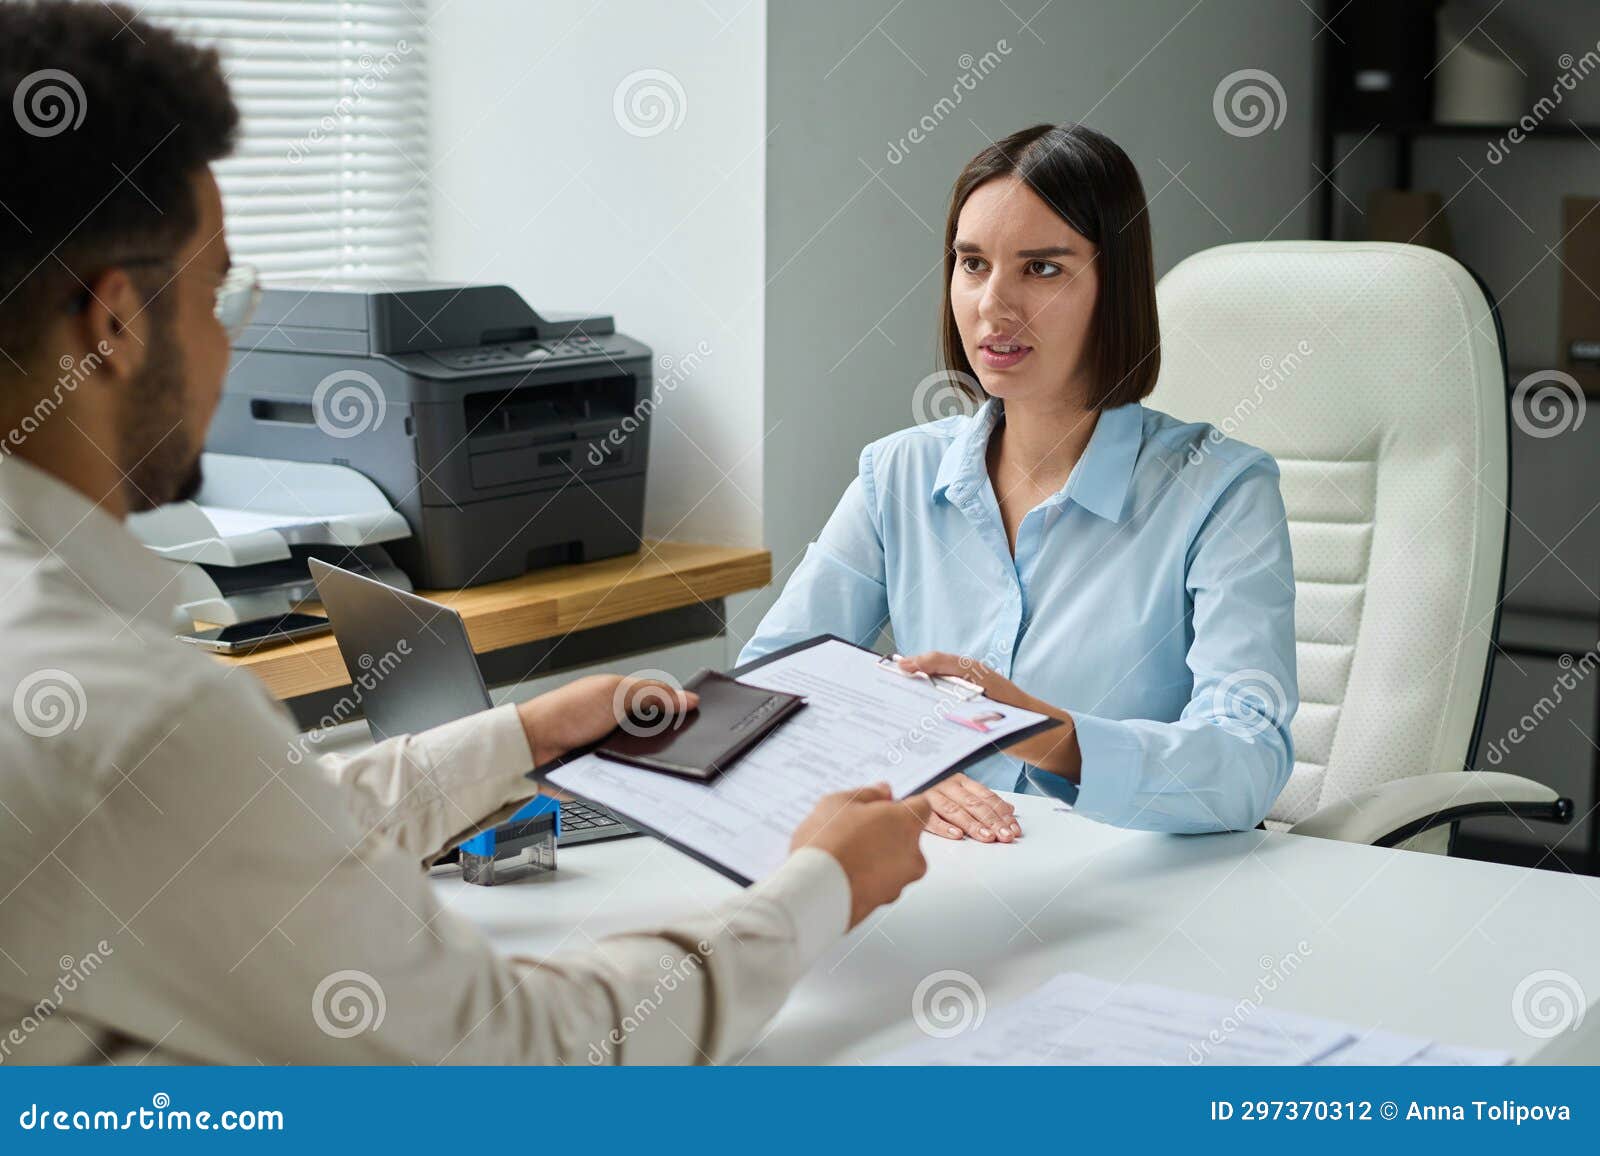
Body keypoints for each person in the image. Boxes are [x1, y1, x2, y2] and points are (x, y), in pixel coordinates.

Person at [0, 1, 932, 1065]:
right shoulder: (140, 723)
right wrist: (818, 889)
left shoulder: (75, 675)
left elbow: (232, 834)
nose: (227, 344)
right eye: (219, 295)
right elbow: (516, 1060)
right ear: (114, 324)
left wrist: (522, 738)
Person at [740, 123, 1298, 842]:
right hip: (939, 884)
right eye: (972, 264)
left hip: (1137, 900)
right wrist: (902, 771)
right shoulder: (898, 475)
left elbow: (1248, 761)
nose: (992, 306)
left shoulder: (1221, 492)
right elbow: (765, 693)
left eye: (1042, 269)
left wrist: (1047, 736)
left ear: (1114, 287)